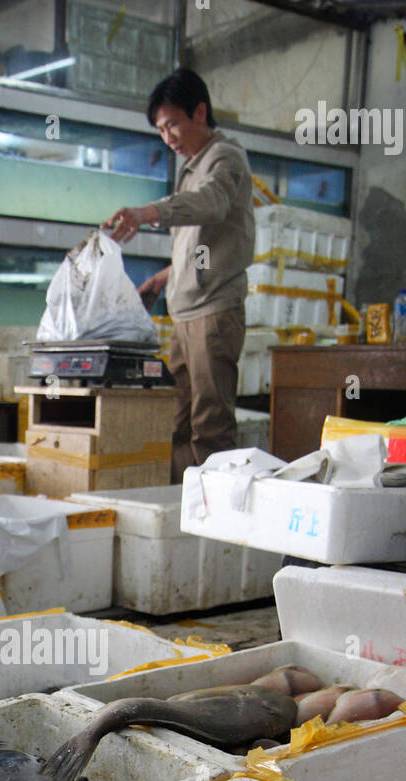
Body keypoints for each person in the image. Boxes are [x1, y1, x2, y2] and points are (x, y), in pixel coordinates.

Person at [102, 68, 255, 483]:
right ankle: (174, 515)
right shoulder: (191, 166)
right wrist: (161, 279)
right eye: (160, 129)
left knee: (210, 428)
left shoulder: (225, 158)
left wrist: (149, 212)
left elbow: (213, 204)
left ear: (199, 112)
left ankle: (211, 534)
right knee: (176, 425)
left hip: (214, 313)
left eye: (172, 124)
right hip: (185, 314)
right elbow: (199, 248)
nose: (167, 137)